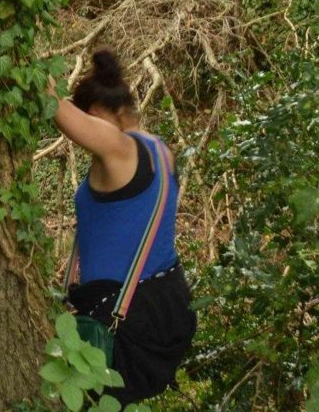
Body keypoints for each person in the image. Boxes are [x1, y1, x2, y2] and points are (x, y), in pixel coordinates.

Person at [47, 49, 196, 405]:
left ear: (97, 115)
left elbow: (52, 105)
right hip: (169, 301)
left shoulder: (118, 148)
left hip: (124, 316)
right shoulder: (161, 150)